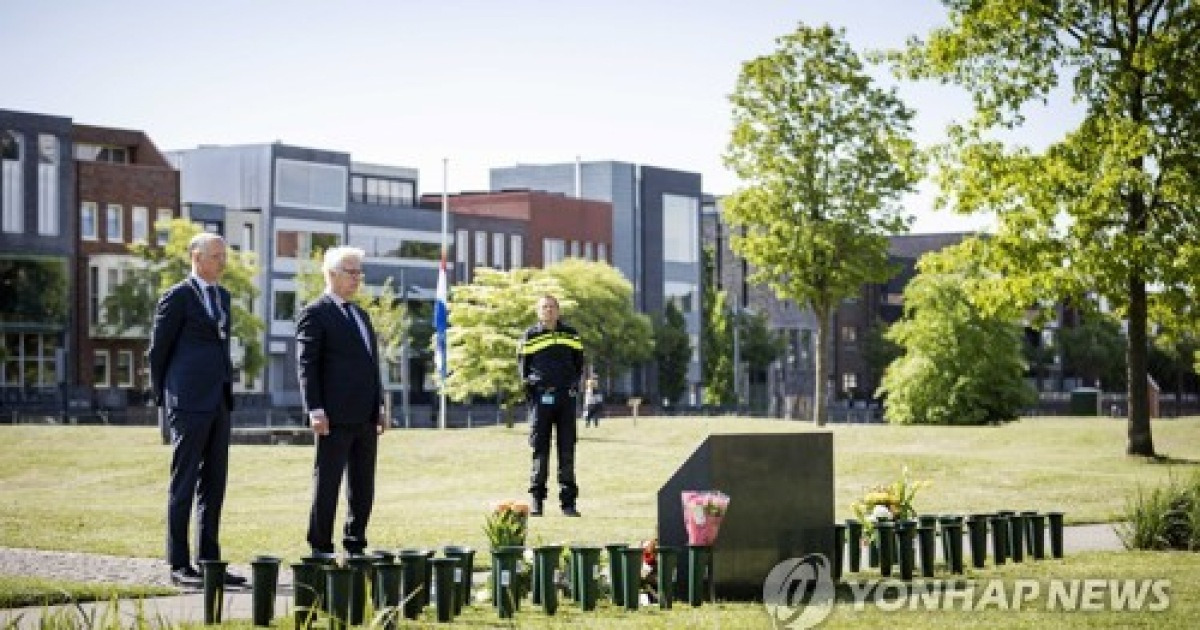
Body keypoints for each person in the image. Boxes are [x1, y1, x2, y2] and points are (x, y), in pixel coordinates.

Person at [148, 232, 245, 587]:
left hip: (218, 400)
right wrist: (164, 398)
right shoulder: (176, 298)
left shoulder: (223, 297)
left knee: (214, 484)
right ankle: (178, 563)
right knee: (184, 482)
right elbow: (158, 352)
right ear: (196, 256)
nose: (223, 262)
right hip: (187, 401)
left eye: (224, 255)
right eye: (217, 255)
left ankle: (210, 561)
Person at [296, 246, 387, 556]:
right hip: (333, 416)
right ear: (331, 274)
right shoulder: (315, 313)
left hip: (365, 415)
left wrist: (381, 407)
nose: (357, 279)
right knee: (328, 484)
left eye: (359, 273)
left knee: (363, 486)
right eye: (351, 272)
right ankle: (320, 546)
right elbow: (307, 365)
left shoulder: (361, 315)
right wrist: (315, 409)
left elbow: (372, 365)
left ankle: (355, 542)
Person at [518, 295, 585, 517]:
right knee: (540, 450)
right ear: (538, 312)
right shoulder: (530, 336)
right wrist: (533, 391)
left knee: (567, 450)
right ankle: (537, 501)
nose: (548, 311)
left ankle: (568, 503)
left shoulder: (571, 334)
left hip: (566, 399)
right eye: (544, 307)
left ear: (558, 311)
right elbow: (523, 370)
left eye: (552, 307)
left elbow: (579, 365)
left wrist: (573, 386)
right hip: (541, 401)